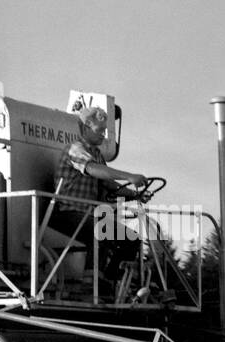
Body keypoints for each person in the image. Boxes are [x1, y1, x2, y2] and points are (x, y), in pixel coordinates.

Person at [40, 104, 147, 285]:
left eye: (105, 131)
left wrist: (134, 195)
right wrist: (129, 176)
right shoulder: (75, 149)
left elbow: (108, 183)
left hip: (85, 215)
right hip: (65, 212)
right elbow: (94, 170)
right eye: (100, 130)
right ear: (86, 127)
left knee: (131, 238)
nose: (103, 135)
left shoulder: (96, 153)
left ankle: (113, 280)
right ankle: (92, 282)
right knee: (100, 230)